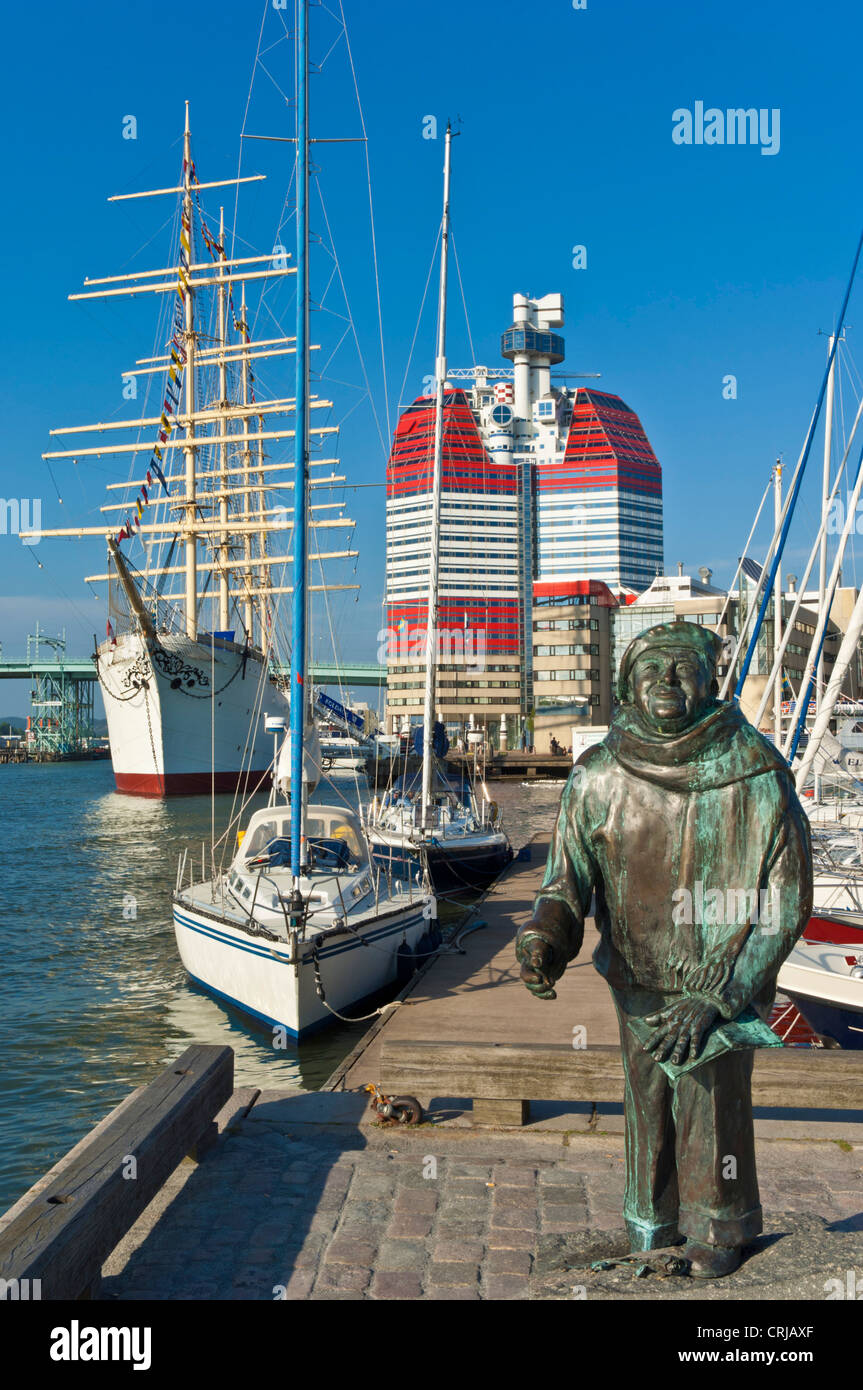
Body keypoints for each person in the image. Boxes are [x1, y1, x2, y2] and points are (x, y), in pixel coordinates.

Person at [515, 620, 812, 1279]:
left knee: (712, 1101)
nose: (666, 682)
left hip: (725, 982)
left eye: (682, 668)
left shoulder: (758, 773)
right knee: (645, 1106)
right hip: (639, 977)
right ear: (626, 686)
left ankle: (717, 1229)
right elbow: (565, 884)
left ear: (709, 682)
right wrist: (543, 939)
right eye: (650, 669)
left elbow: (786, 901)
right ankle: (649, 1224)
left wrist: (724, 993)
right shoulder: (595, 777)